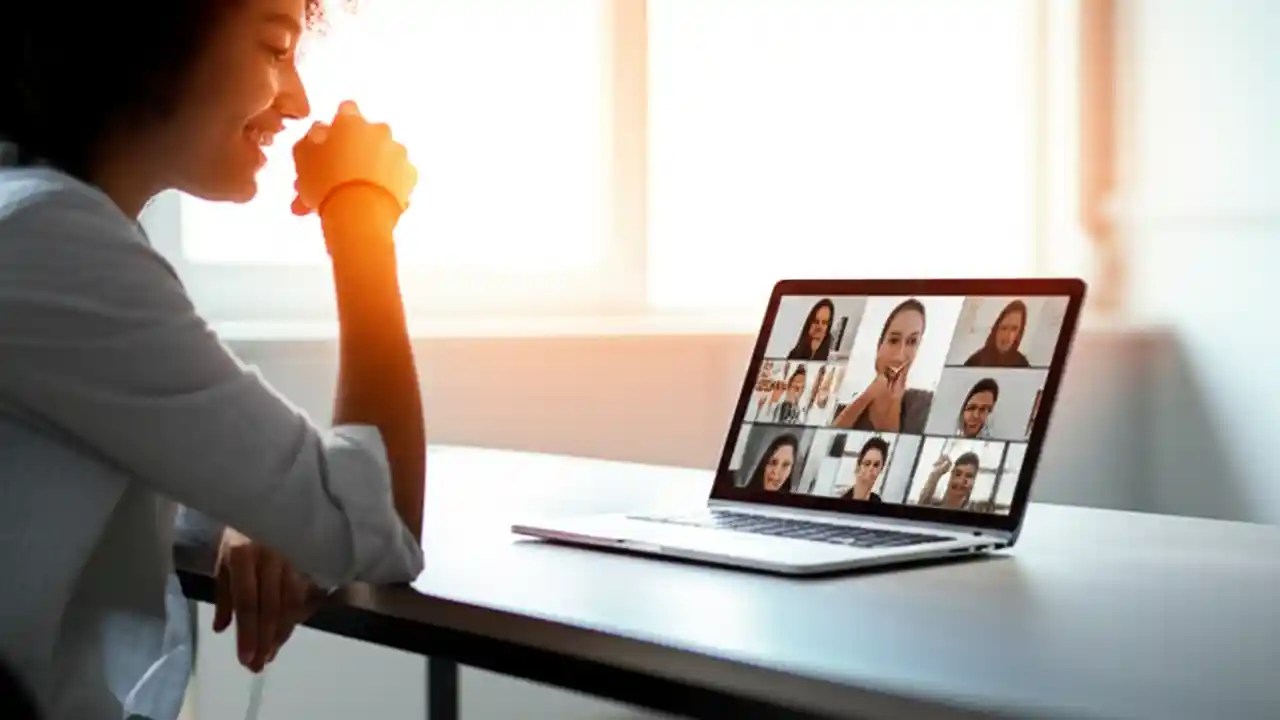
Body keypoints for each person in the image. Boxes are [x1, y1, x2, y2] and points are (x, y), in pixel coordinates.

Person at [1, 3, 425, 719]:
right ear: (148, 38)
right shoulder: (53, 241)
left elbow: (79, 463)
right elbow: (377, 525)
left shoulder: (38, 218)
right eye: (275, 48)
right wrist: (360, 210)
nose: (298, 102)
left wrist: (251, 509)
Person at [832, 299, 933, 434]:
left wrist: (894, 402)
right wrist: (868, 395)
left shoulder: (924, 405)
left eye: (912, 341)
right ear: (879, 346)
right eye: (893, 340)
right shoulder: (843, 404)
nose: (899, 355)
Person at [964, 300, 1031, 367]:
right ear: (996, 329)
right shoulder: (974, 362)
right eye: (1004, 328)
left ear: (1019, 332)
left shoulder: (1023, 365)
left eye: (1014, 329)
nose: (1008, 336)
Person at [915, 452, 987, 511]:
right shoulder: (933, 503)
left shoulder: (975, 510)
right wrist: (935, 475)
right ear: (951, 476)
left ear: (974, 481)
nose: (961, 481)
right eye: (958, 474)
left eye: (968, 476)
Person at [839, 436, 889, 502]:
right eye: (867, 464)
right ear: (859, 466)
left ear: (881, 469)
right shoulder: (843, 499)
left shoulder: (877, 500)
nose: (871, 469)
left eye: (876, 465)